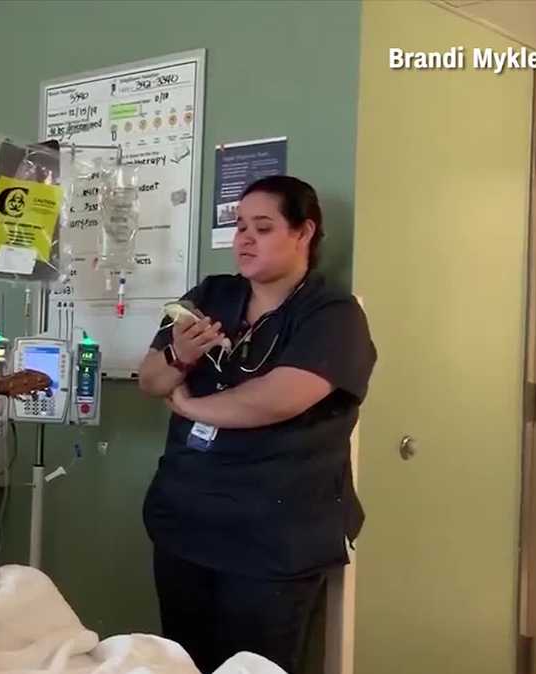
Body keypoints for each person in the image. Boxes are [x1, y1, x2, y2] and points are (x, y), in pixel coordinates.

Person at [137, 175, 376, 673]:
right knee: (182, 662)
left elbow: (278, 398)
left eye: (262, 227)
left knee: (255, 666)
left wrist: (188, 406)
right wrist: (180, 356)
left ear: (303, 232)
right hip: (185, 525)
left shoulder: (332, 315)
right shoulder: (210, 295)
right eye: (239, 225)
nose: (243, 238)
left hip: (271, 541)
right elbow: (150, 377)